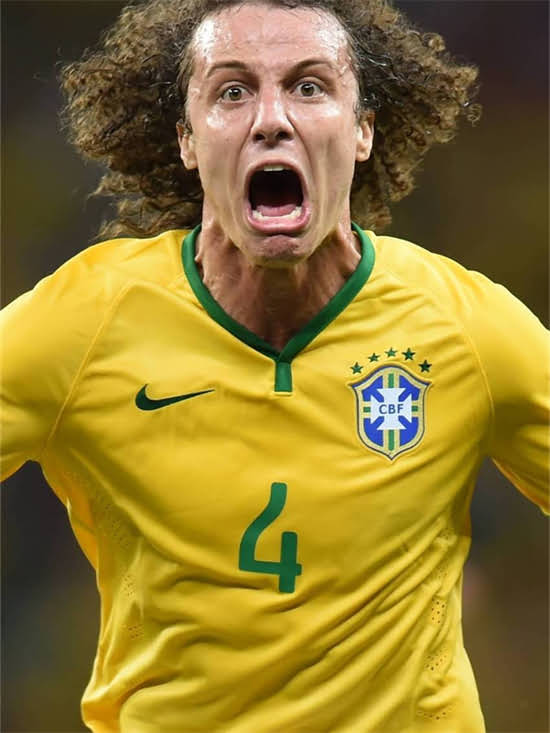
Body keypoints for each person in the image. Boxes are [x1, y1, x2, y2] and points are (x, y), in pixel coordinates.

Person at [1, 0, 548, 731]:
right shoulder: (82, 323)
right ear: (188, 139)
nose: (270, 120)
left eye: (309, 86)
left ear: (363, 129)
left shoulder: (466, 328)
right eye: (232, 91)